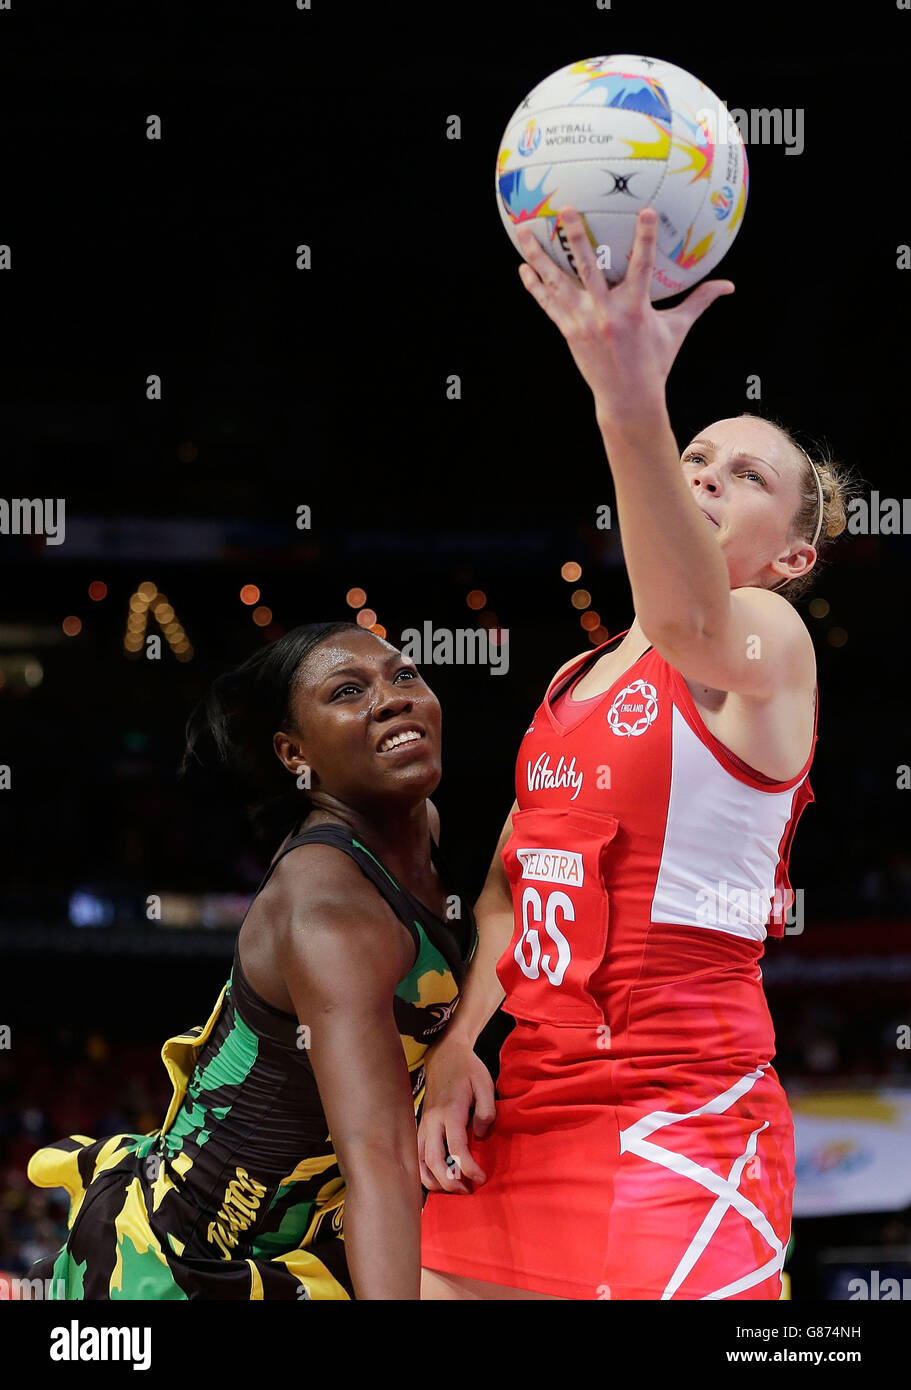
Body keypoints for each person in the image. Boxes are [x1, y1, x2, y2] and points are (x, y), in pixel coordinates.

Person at [418, 206, 857, 1300]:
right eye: (695, 455)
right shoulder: (568, 683)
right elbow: (511, 890)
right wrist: (460, 1043)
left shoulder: (764, 639)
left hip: (682, 1107)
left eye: (745, 476)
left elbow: (689, 624)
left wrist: (628, 394)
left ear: (793, 552)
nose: (705, 473)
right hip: (522, 1104)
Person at [27, 621, 477, 1299]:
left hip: (305, 1236)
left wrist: (456, 1044)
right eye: (348, 691)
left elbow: (504, 895)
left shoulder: (423, 827)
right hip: (190, 1263)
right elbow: (378, 1164)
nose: (391, 698)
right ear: (294, 753)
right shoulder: (330, 913)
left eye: (403, 675)